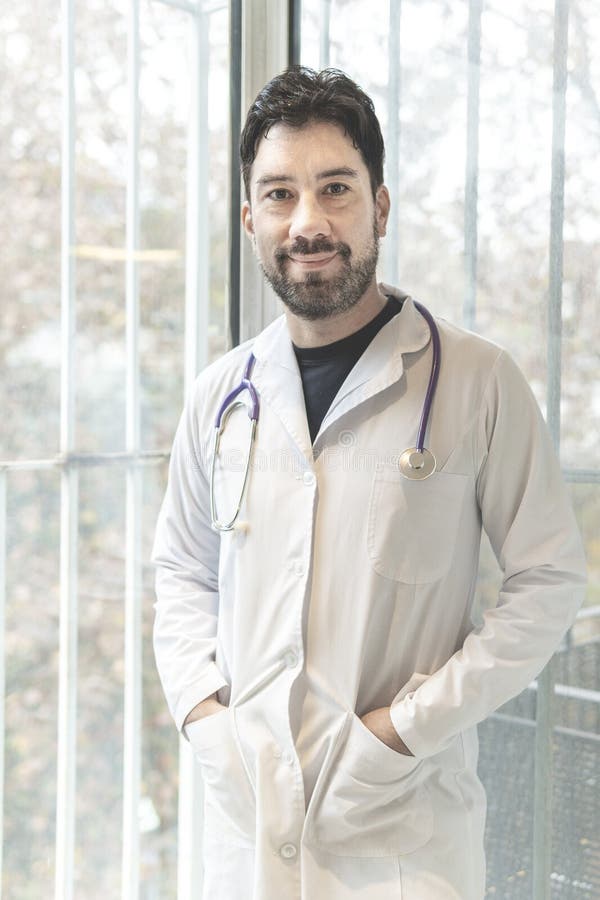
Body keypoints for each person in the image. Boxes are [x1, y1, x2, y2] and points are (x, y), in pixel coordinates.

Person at [151, 66, 587, 900]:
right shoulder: (219, 395)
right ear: (249, 219)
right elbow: (181, 569)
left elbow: (550, 579)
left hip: (400, 838)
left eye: (336, 188)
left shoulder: (475, 380)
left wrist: (404, 729)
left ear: (379, 206)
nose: (308, 222)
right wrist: (206, 715)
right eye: (278, 194)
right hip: (244, 829)